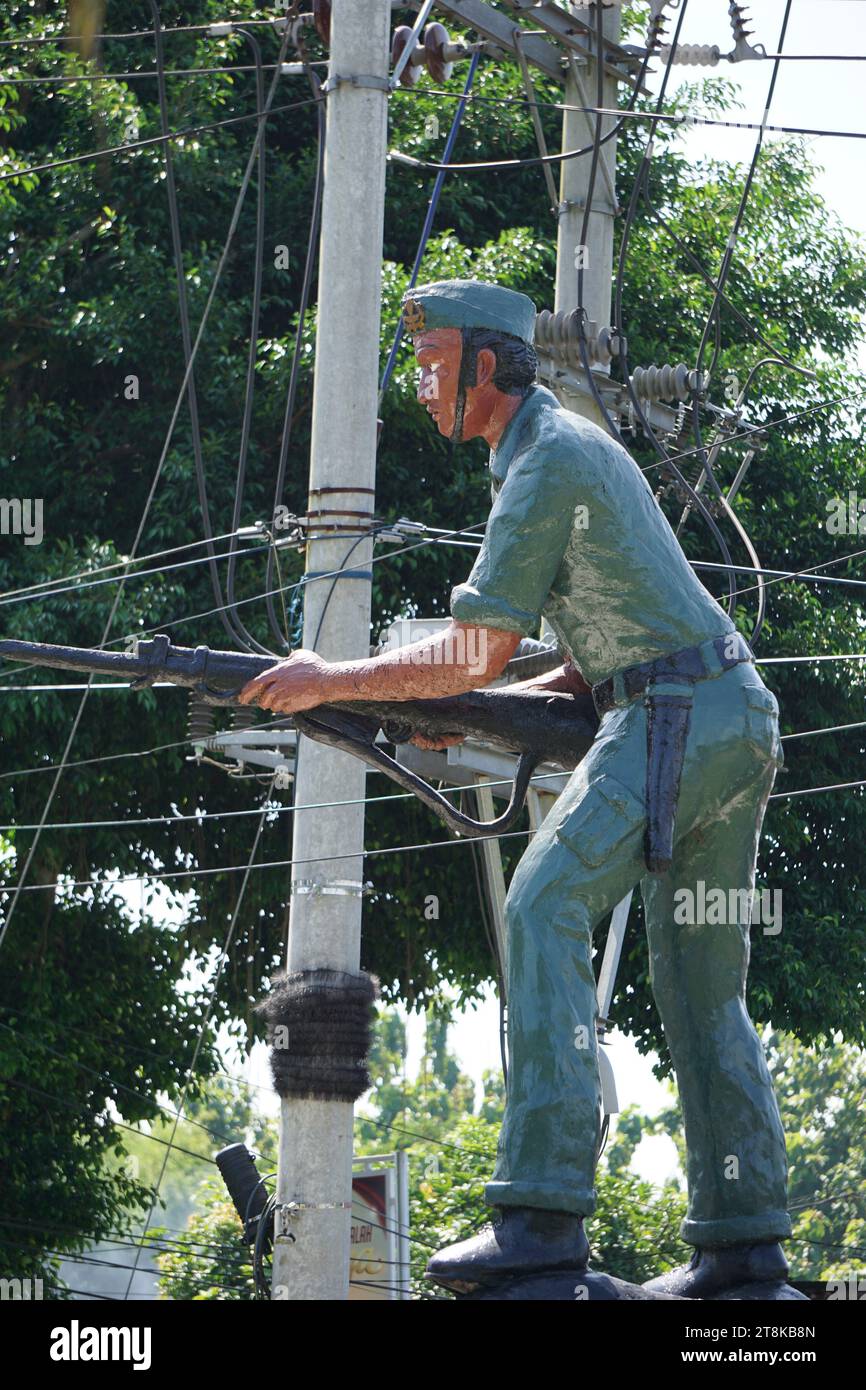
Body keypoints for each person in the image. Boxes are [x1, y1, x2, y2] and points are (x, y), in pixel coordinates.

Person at [239, 279, 792, 1298]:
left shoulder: (545, 464)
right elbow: (581, 655)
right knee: (699, 987)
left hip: (671, 715)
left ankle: (539, 1213)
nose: (420, 377)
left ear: (487, 367)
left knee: (542, 906)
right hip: (720, 707)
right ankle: (743, 1246)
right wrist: (463, 701)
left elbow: (472, 648)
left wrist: (333, 678)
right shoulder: (566, 448)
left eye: (433, 358)